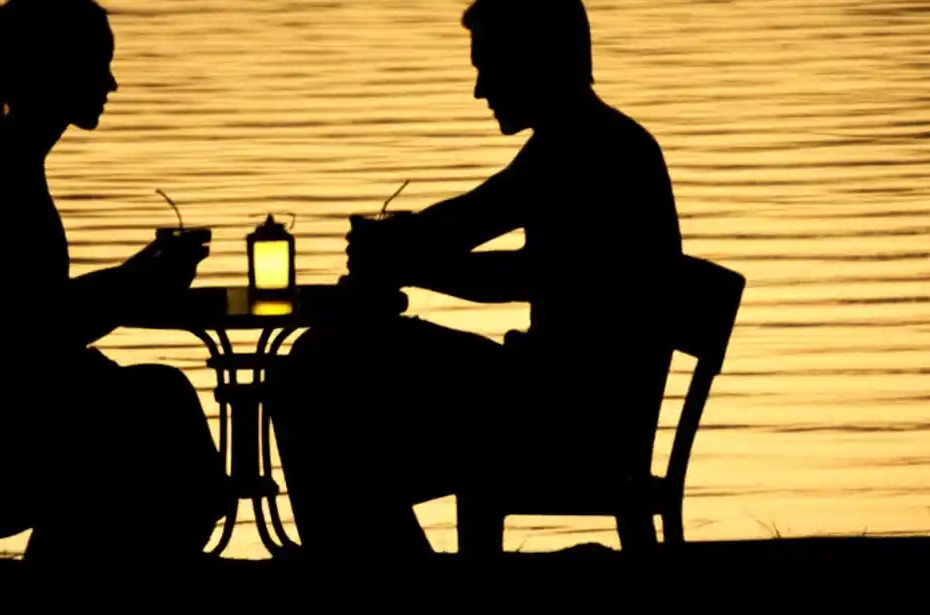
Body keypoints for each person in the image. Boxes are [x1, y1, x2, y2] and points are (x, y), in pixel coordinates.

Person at [269, 0, 683, 556]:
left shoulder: (589, 150)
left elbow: (519, 273)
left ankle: (375, 578)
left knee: (320, 384)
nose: (480, 90)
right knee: (336, 376)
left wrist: (403, 257)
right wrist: (404, 246)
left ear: (535, 59)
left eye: (488, 66)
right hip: (555, 396)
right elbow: (474, 221)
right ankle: (378, 567)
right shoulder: (579, 142)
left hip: (566, 419)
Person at [0, 0, 227, 563]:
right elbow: (27, 331)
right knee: (161, 415)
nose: (112, 84)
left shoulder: (0, 157)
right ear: (52, 71)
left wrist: (133, 278)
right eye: (99, 66)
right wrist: (134, 284)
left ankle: (80, 575)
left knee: (162, 402)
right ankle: (85, 585)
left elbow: (28, 315)